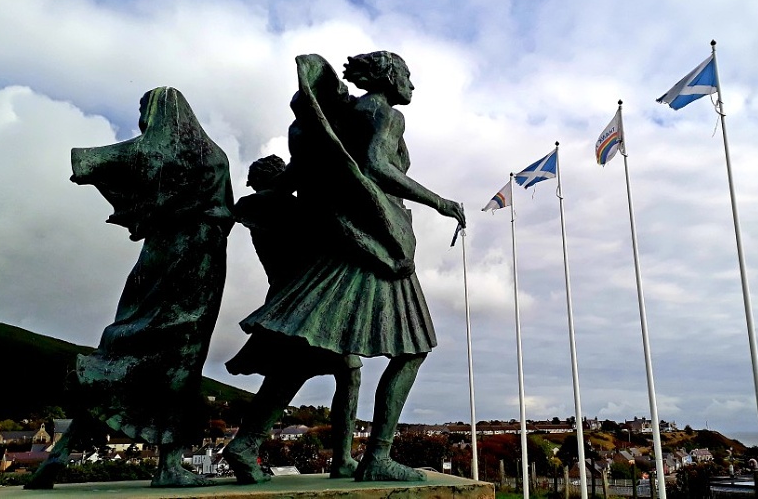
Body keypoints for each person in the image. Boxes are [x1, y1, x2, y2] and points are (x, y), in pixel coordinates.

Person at [224, 51, 464, 482]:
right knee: (412, 350)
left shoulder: (340, 117)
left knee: (304, 354)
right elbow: (376, 166)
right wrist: (439, 201)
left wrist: (260, 201)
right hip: (376, 250)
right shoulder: (383, 112)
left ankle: (244, 446)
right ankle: (378, 458)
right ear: (389, 76)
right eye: (407, 75)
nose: (412, 84)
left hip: (343, 244)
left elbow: (300, 174)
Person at [26, 87, 233, 489]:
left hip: (157, 259)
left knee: (128, 347)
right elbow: (226, 213)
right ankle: (169, 465)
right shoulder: (214, 157)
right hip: (201, 260)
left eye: (144, 110)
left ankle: (59, 455)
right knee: (182, 361)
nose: (142, 118)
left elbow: (85, 162)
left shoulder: (145, 151)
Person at [224, 155, 362, 483]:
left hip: (299, 306)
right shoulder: (271, 207)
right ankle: (340, 458)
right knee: (344, 369)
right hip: (302, 307)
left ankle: (245, 445)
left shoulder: (266, 208)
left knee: (290, 377)